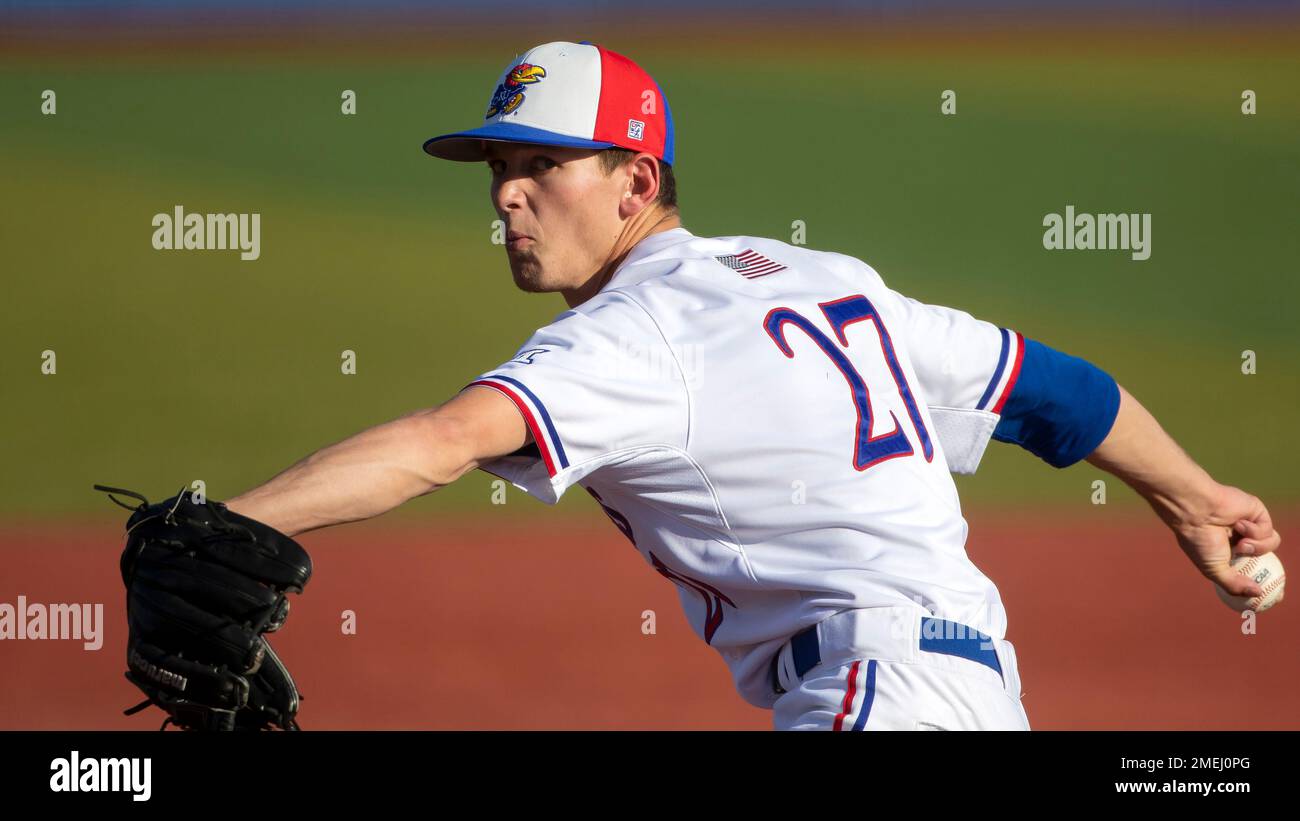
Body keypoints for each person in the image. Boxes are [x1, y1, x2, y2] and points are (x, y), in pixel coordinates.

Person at [225, 41, 1282, 730]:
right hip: (971, 695)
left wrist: (221, 526)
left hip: (873, 698)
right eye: (497, 168)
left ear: (636, 181)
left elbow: (438, 442)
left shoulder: (631, 332)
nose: (506, 195)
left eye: (539, 167)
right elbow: (1049, 386)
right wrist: (1195, 496)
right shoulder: (819, 277)